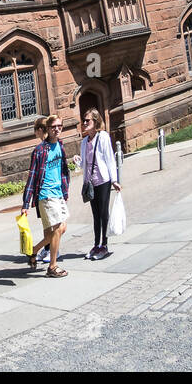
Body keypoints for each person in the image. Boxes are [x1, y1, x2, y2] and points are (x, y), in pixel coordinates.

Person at [22, 113, 70, 277]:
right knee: (57, 228)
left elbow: (64, 170)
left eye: (59, 126)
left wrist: (65, 190)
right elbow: (33, 176)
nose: (57, 129)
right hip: (45, 193)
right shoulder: (40, 150)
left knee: (61, 228)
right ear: (47, 129)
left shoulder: (61, 145)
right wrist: (25, 203)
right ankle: (52, 267)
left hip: (58, 193)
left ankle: (33, 250)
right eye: (53, 127)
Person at [79, 110, 121, 260]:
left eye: (87, 121)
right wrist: (78, 161)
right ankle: (96, 244)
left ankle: (104, 244)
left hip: (103, 180)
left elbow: (109, 158)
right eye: (84, 120)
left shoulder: (102, 137)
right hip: (91, 182)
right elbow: (84, 164)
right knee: (95, 215)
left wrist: (115, 180)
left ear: (95, 122)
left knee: (103, 213)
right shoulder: (84, 142)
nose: (84, 123)